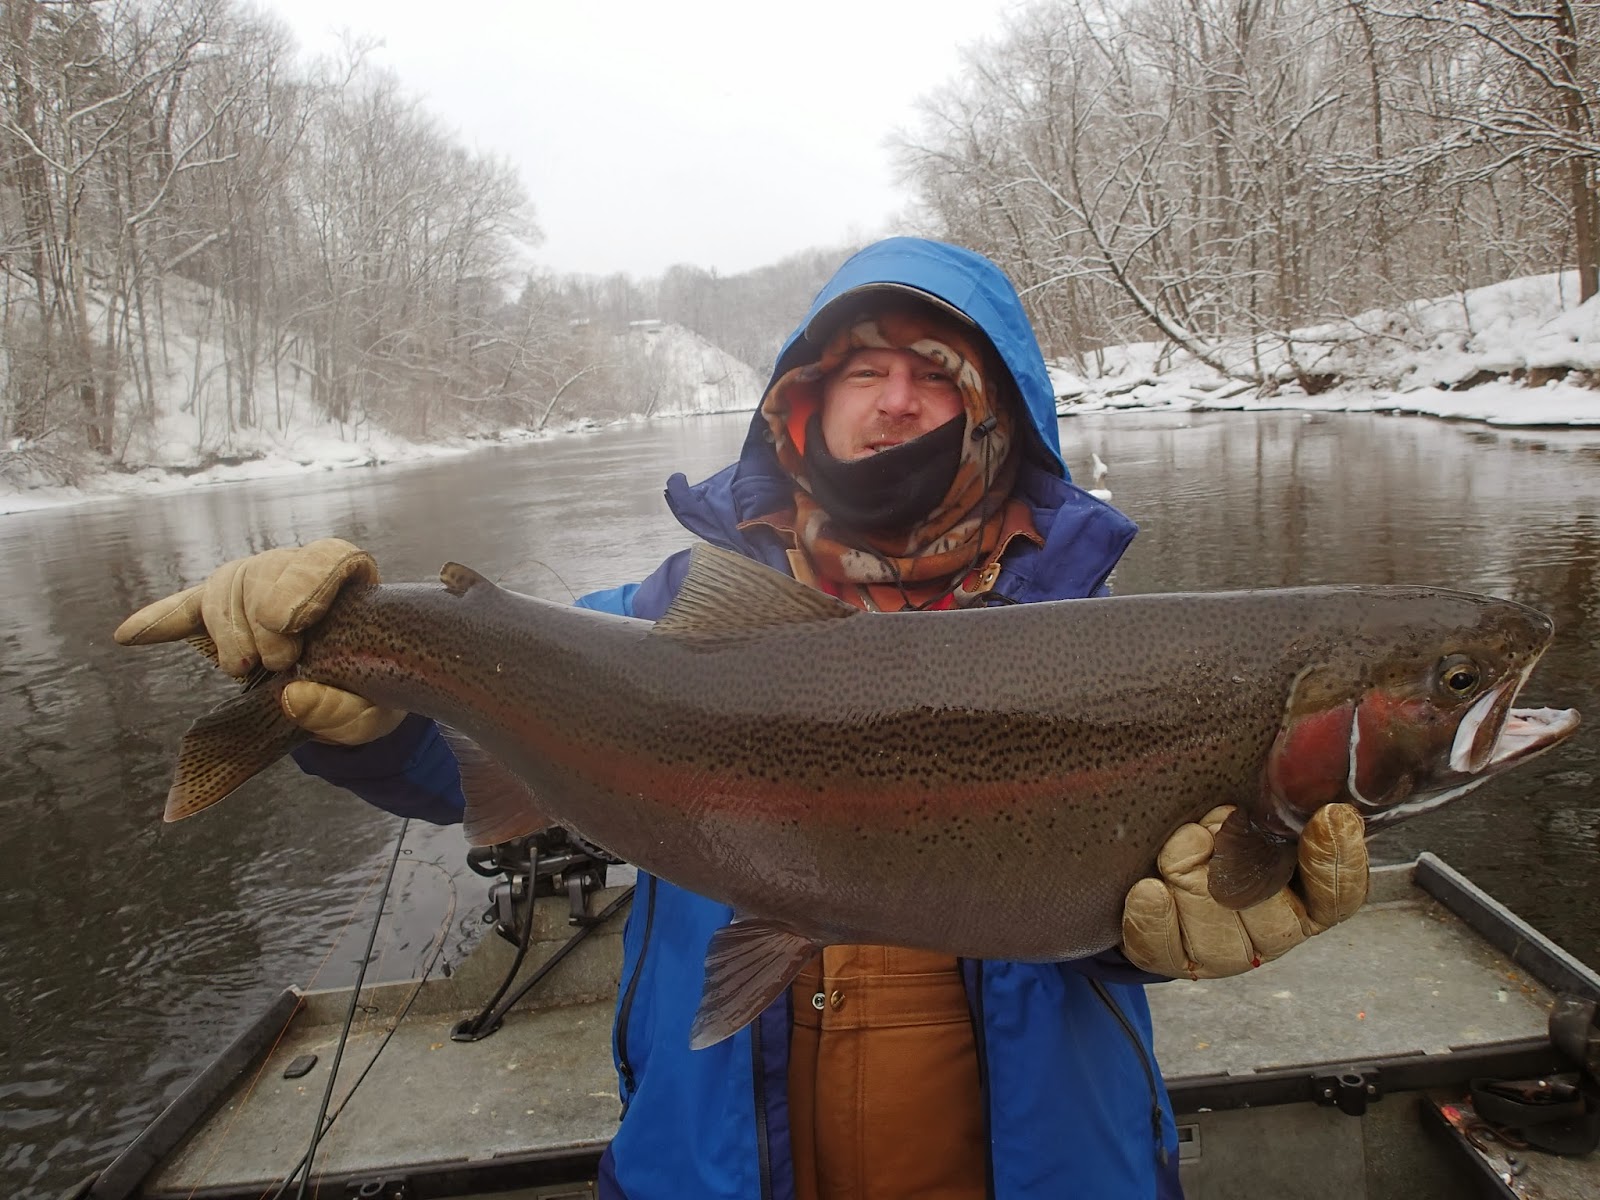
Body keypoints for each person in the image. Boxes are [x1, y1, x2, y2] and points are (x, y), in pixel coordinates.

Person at [116, 237, 1369, 1199]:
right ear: (796, 411)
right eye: (859, 373)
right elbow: (486, 757)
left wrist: (1183, 918)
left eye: (933, 379)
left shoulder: (1106, 646)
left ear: (1001, 417)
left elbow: (1138, 890)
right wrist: (368, 716)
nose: (891, 403)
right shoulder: (665, 626)